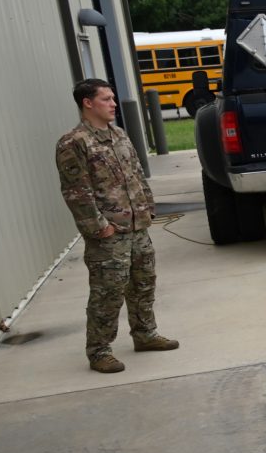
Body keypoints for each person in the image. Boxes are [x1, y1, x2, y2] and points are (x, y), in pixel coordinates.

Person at [56, 79, 179, 373]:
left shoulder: (118, 134)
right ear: (88, 103)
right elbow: (76, 192)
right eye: (106, 99)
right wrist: (99, 227)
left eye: (112, 98)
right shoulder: (74, 143)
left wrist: (147, 206)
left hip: (137, 227)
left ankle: (145, 334)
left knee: (143, 284)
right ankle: (99, 351)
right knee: (107, 293)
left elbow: (136, 173)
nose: (113, 104)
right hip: (109, 234)